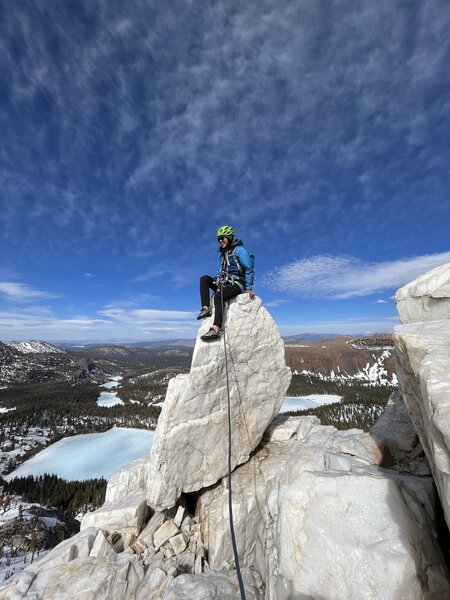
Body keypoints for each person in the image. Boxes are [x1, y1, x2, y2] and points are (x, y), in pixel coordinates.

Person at [197, 225, 255, 341]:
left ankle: (216, 329)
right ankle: (205, 308)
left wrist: (248, 288)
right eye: (218, 239)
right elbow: (220, 271)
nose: (220, 241)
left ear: (229, 237)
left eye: (222, 238)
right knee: (204, 279)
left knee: (219, 297)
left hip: (238, 283)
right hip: (225, 282)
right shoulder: (221, 254)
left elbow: (248, 268)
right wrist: (218, 282)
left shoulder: (239, 250)